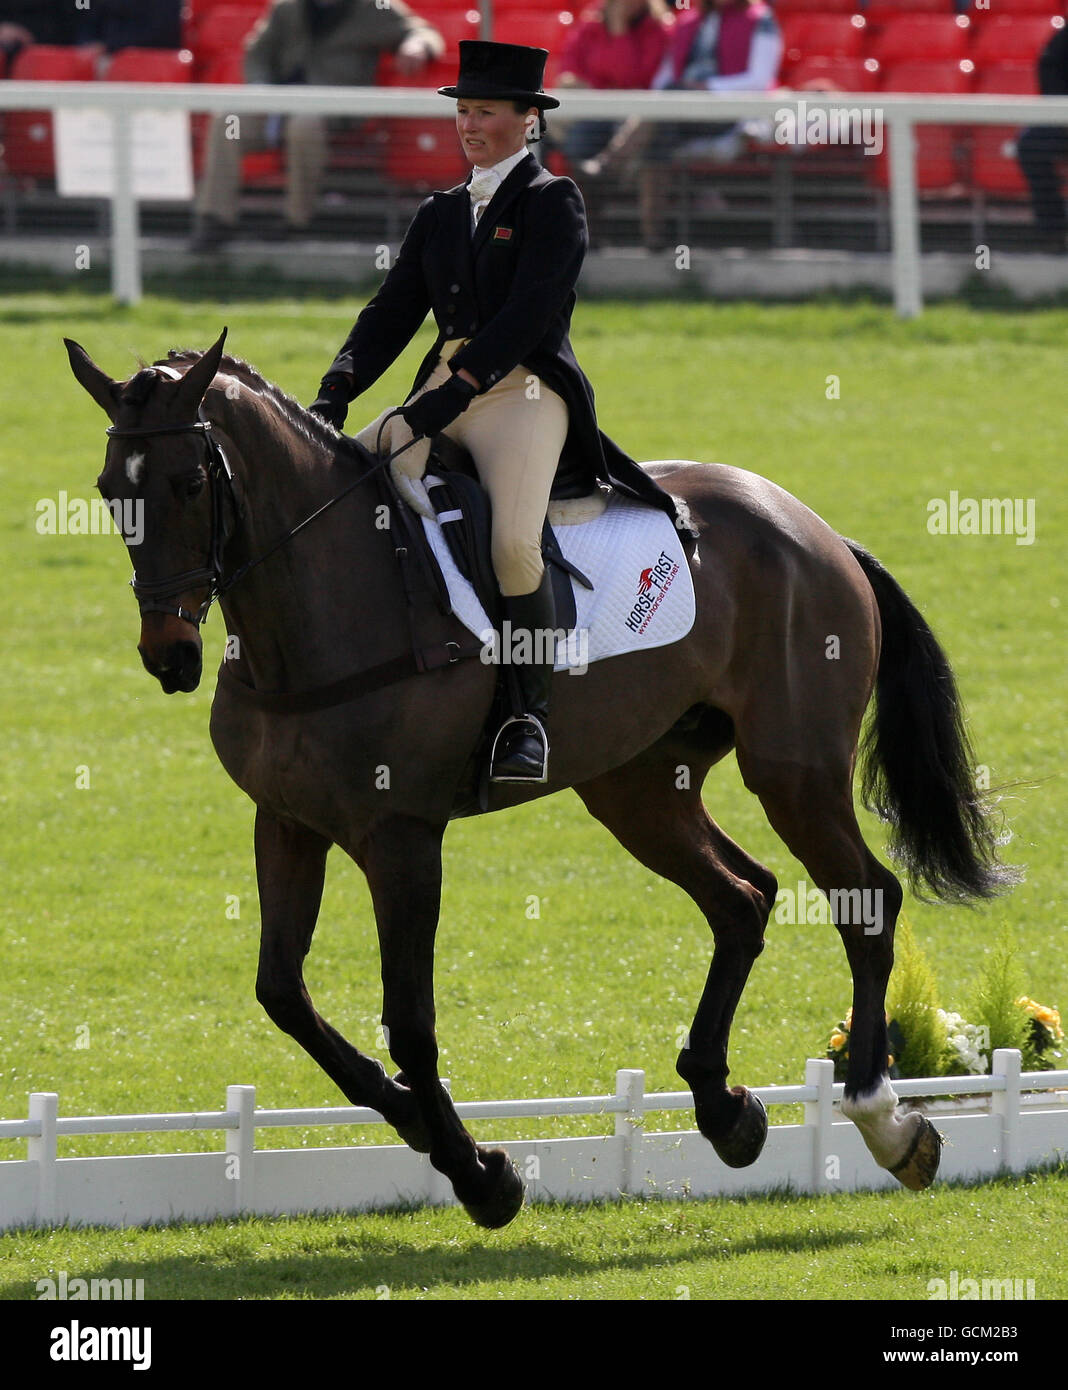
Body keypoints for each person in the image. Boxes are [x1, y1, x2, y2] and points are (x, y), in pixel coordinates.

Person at [307, 40, 678, 782]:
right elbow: (392, 310)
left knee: (513, 542)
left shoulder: (553, 202)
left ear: (529, 120)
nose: (469, 125)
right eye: (463, 111)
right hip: (443, 390)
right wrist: (337, 387)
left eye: (486, 112)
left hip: (523, 394)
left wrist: (446, 398)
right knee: (347, 490)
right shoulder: (441, 212)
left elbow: (528, 317)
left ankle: (526, 716)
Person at [191, 0, 444, 251]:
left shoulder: (374, 8)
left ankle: (296, 221)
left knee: (304, 123)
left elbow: (424, 32)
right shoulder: (286, 8)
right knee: (227, 120)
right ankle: (215, 219)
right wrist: (261, 89)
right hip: (278, 107)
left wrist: (416, 45)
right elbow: (257, 53)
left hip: (339, 112)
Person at [635, 0, 782, 250]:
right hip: (679, 110)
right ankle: (653, 236)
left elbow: (760, 80)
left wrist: (708, 88)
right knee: (660, 134)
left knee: (658, 128)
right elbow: (666, 77)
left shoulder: (761, 19)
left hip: (727, 112)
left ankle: (616, 162)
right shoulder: (687, 22)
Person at [1017, 28, 1068, 254]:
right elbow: (1049, 69)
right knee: (1030, 145)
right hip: (1063, 121)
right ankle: (1054, 230)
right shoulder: (1063, 40)